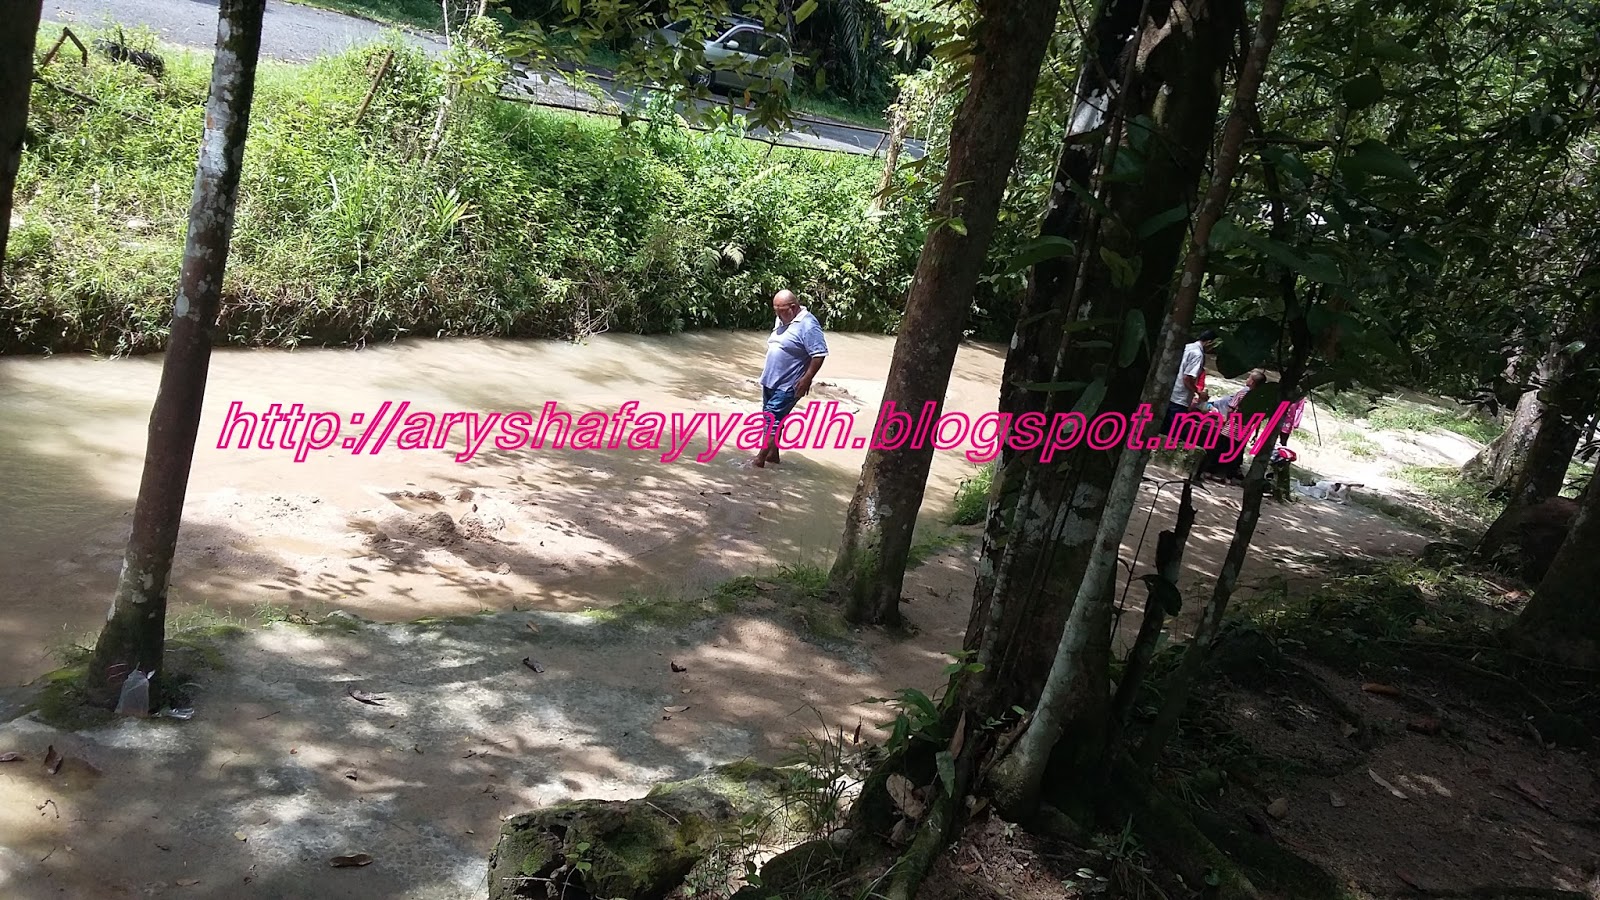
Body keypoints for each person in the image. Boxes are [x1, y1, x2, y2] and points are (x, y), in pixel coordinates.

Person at [754, 290, 827, 468]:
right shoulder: (783, 318)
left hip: (789, 384)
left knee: (772, 419)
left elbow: (819, 354)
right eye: (775, 310)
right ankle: (773, 455)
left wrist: (807, 378)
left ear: (793, 307)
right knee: (773, 418)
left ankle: (759, 460)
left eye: (781, 310)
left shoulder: (808, 325)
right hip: (771, 380)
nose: (778, 315)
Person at [1199, 370, 1266, 484]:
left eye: (1249, 377)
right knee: (1234, 454)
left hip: (1231, 427)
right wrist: (1255, 432)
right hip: (1244, 431)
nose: (1247, 379)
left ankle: (1209, 471)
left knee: (1218, 449)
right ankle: (1227, 476)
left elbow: (1231, 408)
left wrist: (1227, 420)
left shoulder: (1242, 393)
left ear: (1252, 382)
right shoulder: (1261, 399)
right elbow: (1259, 417)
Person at [1163, 329, 1218, 436]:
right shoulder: (1198, 354)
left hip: (1170, 392)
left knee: (1164, 428)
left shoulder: (1187, 347)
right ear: (1209, 342)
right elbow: (1187, 378)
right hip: (1180, 398)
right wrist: (1199, 392)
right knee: (1175, 433)